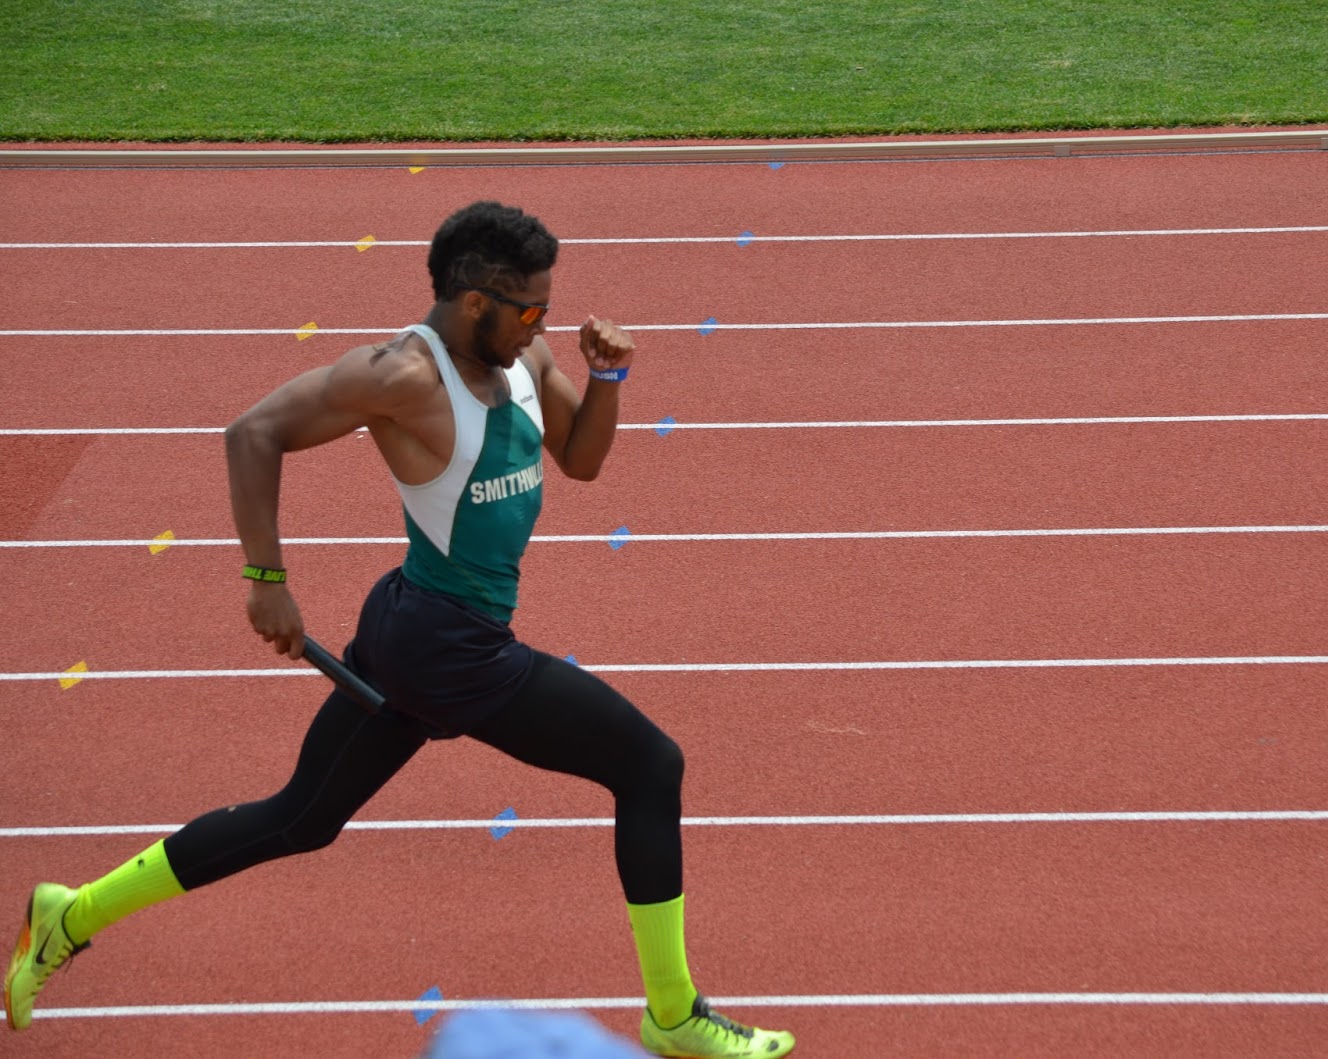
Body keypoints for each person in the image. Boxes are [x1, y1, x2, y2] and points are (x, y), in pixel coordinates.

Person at [4, 201, 796, 1059]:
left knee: (300, 817)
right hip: (453, 648)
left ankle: (69, 912)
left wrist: (606, 378)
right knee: (650, 764)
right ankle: (673, 1015)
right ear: (473, 302)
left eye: (548, 306)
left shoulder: (523, 353)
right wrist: (266, 578)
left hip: (413, 623)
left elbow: (584, 460)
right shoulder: (402, 377)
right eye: (530, 307)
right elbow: (252, 432)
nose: (545, 321)